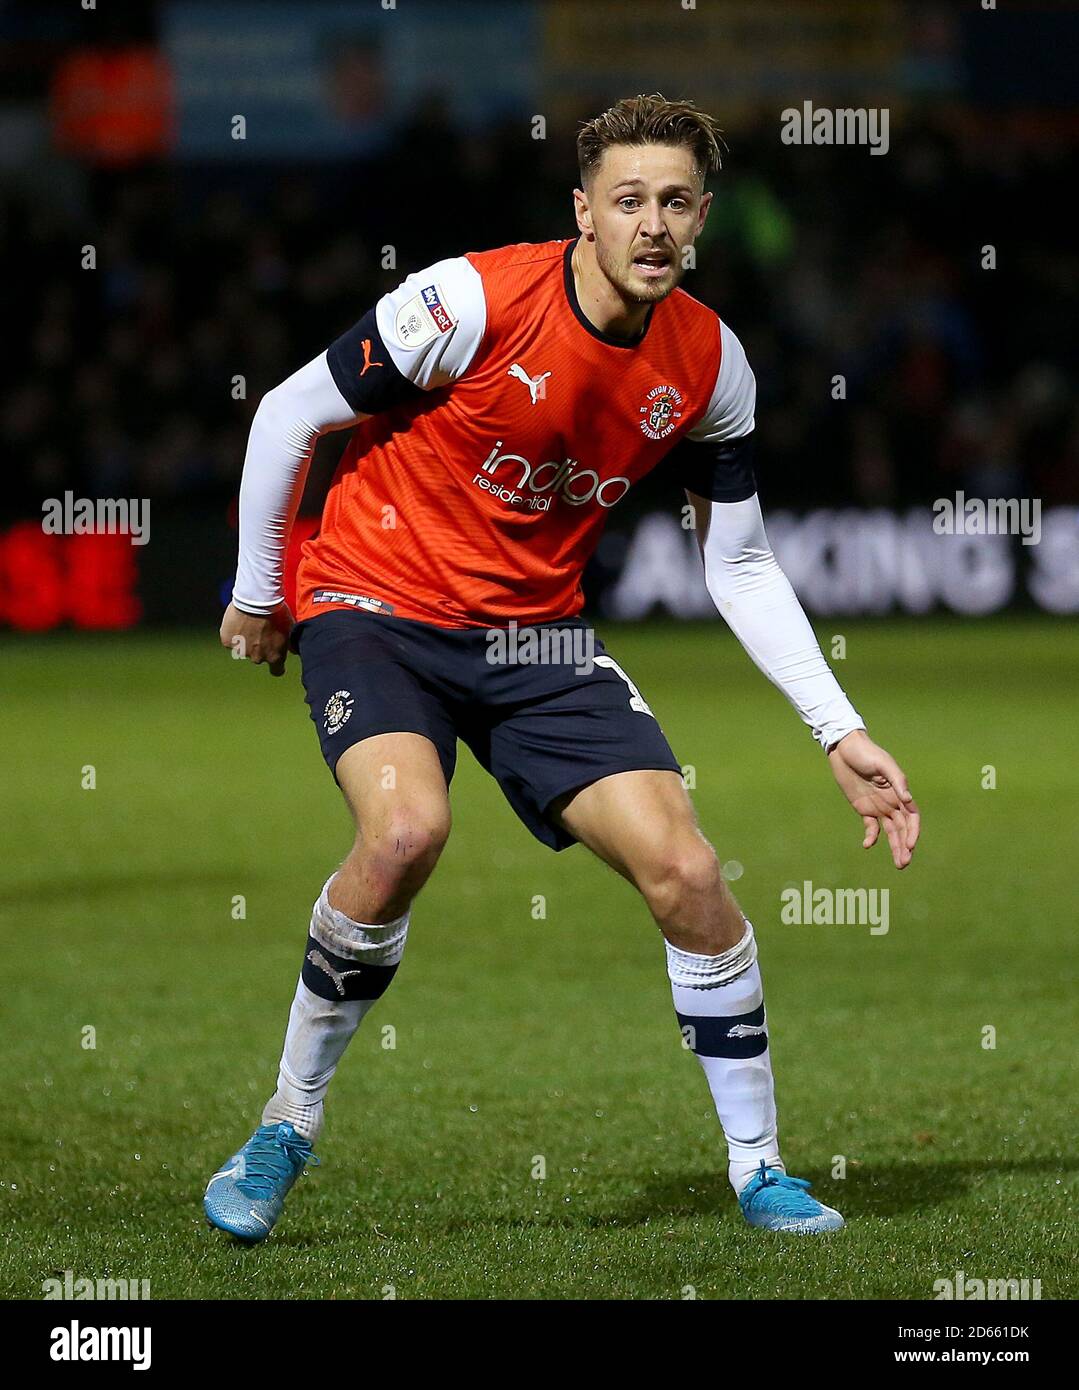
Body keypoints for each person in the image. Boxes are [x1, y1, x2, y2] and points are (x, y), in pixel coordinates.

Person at [205, 94, 920, 1243]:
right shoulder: (468, 299)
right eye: (627, 200)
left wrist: (836, 729)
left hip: (535, 638)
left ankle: (758, 1169)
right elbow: (290, 412)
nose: (651, 225)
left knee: (687, 869)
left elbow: (735, 564)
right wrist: (257, 588)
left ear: (700, 219)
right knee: (402, 836)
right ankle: (287, 1122)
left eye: (674, 203)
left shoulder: (709, 363)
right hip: (374, 604)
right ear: (581, 211)